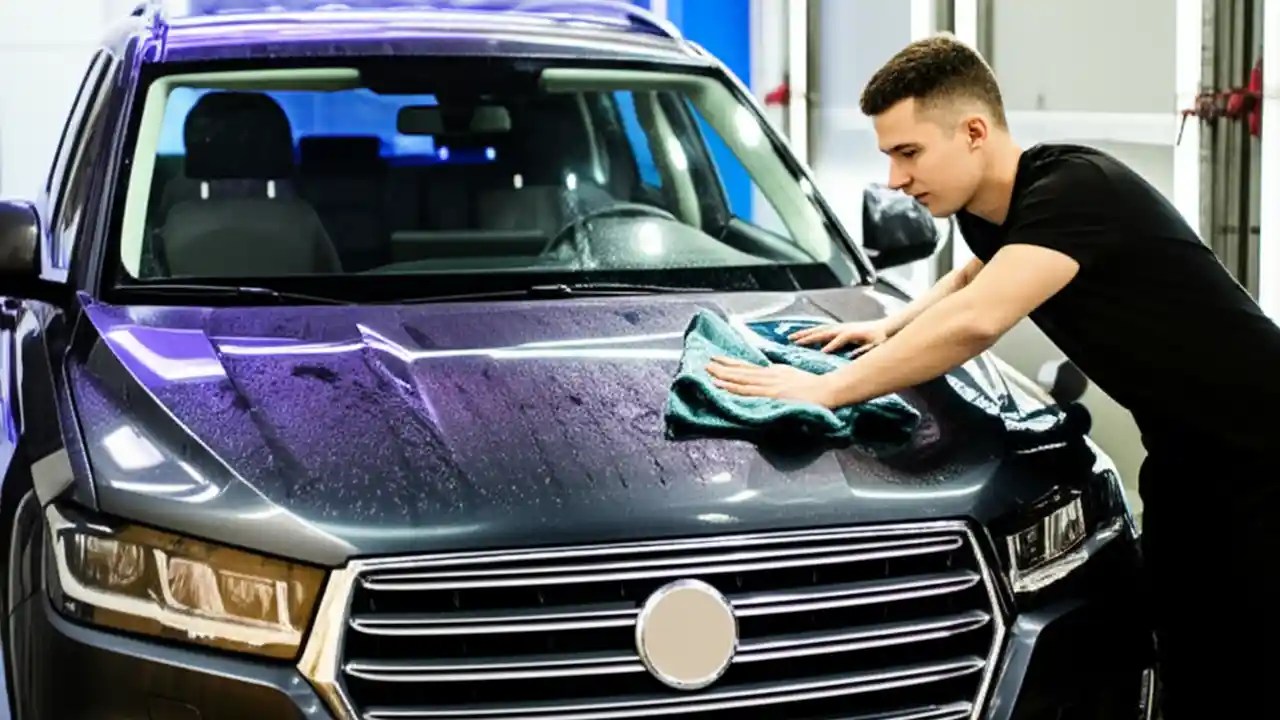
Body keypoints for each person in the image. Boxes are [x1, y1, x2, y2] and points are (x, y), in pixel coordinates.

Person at [706, 33, 1279, 717]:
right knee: (1184, 656)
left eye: (908, 153)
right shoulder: (996, 214)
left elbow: (979, 319)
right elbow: (973, 275)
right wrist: (893, 325)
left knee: (1245, 670)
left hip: (1265, 458)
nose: (894, 179)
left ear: (974, 132)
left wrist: (826, 388)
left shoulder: (1073, 192)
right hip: (1190, 459)